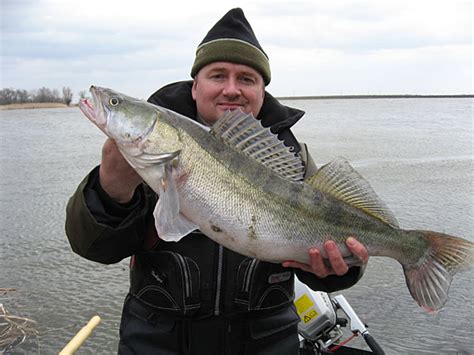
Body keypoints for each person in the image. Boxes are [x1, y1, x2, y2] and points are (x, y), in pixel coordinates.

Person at [66, 8, 369, 355]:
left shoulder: (293, 159)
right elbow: (94, 249)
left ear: (261, 91)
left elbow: (323, 265)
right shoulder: (152, 151)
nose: (231, 89)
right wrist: (110, 190)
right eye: (218, 75)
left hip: (266, 342)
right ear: (195, 87)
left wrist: (339, 271)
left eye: (246, 79)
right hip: (157, 341)